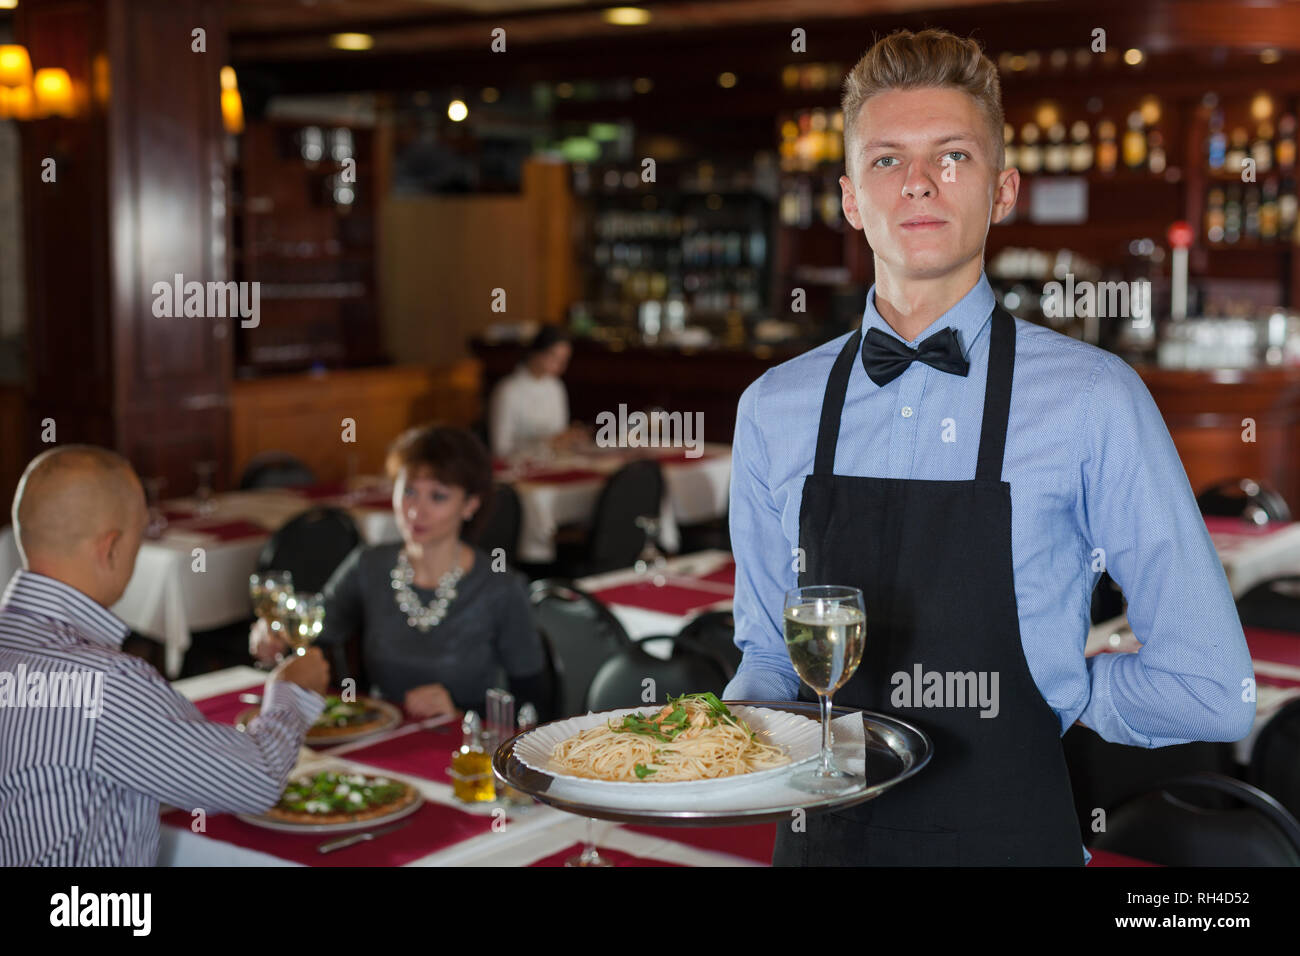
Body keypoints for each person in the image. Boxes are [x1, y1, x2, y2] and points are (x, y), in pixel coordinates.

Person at [724, 28, 1255, 866]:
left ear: (1003, 190)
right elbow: (765, 657)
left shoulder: (1092, 399)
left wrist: (1058, 685)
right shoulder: (772, 409)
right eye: (887, 160)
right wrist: (712, 748)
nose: (921, 184)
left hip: (1012, 839)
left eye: (954, 156)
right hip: (821, 847)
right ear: (851, 198)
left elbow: (1210, 689)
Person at [0, 445, 328, 866]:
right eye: (142, 534)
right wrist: (290, 692)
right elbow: (256, 781)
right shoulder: (107, 684)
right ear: (111, 548)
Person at [252, 424, 550, 720]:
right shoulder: (369, 564)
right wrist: (276, 636)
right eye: (408, 491)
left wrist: (463, 713)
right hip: (373, 741)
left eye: (437, 496)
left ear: (470, 504)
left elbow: (534, 704)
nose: (415, 511)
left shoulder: (500, 587)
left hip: (463, 753)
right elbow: (315, 633)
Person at [488, 325, 587, 457]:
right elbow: (501, 448)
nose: (560, 365)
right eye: (554, 356)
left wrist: (569, 437)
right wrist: (546, 443)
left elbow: (558, 433)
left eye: (564, 359)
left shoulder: (556, 387)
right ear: (536, 352)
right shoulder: (508, 390)